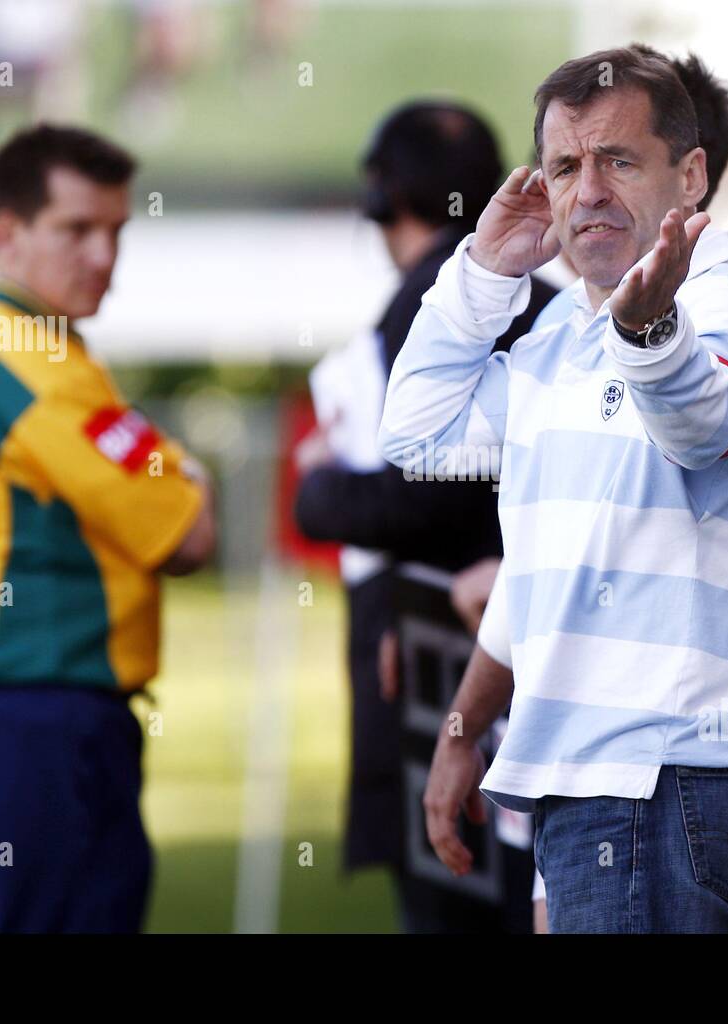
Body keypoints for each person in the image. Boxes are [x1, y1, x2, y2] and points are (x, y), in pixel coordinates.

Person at [379, 44, 728, 933]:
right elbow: (416, 436)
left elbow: (700, 424)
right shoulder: (559, 339)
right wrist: (483, 273)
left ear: (691, 176)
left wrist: (651, 328)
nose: (587, 191)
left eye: (618, 160)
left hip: (667, 781)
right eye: (565, 166)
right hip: (594, 781)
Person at [0, 124, 215, 933]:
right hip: (27, 720)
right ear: (7, 232)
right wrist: (185, 471)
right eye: (77, 229)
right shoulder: (28, 362)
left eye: (116, 231)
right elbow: (186, 535)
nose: (104, 255)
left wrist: (163, 464)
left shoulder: (6, 340)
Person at [293, 101, 555, 932]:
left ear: (385, 194)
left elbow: (423, 493)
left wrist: (318, 489)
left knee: (460, 898)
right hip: (531, 644)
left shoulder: (436, 302)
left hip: (447, 650)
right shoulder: (554, 305)